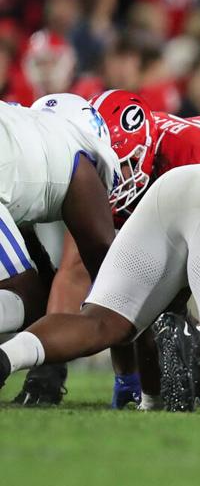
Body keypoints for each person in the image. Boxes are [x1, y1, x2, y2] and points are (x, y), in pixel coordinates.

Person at [13, 89, 200, 407]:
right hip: (195, 204)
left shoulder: (191, 155)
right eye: (107, 168)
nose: (115, 181)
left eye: (125, 166)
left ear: (146, 151)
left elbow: (199, 271)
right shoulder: (101, 163)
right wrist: (51, 373)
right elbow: (83, 274)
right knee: (121, 285)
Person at [0, 162, 200, 412]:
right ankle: (198, 343)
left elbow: (155, 322)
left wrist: (151, 399)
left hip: (172, 183)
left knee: (102, 320)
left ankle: (7, 356)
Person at [0, 94, 118, 389]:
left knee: (33, 292)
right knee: (27, 298)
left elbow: (37, 262)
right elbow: (114, 285)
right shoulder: (79, 155)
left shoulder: (27, 134)